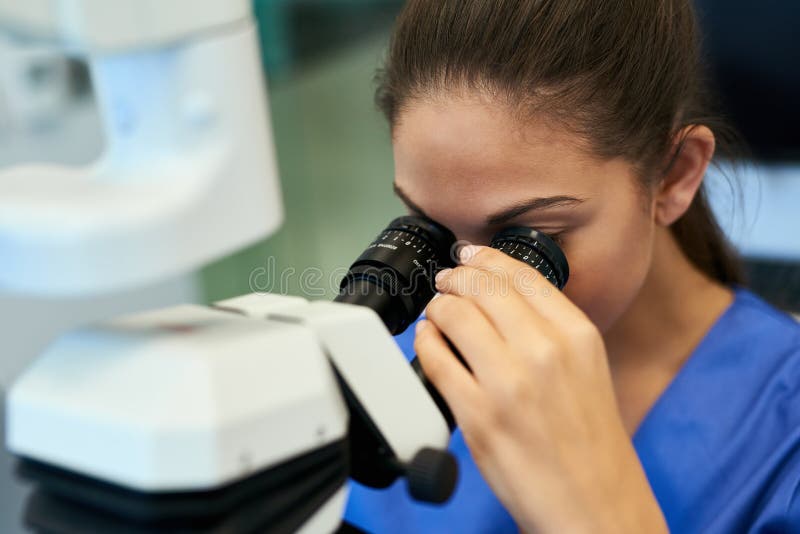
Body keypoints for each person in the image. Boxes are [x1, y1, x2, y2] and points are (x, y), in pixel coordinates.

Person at [343, 1, 800, 532]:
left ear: (675, 175)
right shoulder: (397, 358)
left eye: (533, 241)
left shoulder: (782, 434)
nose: (464, 290)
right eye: (430, 229)